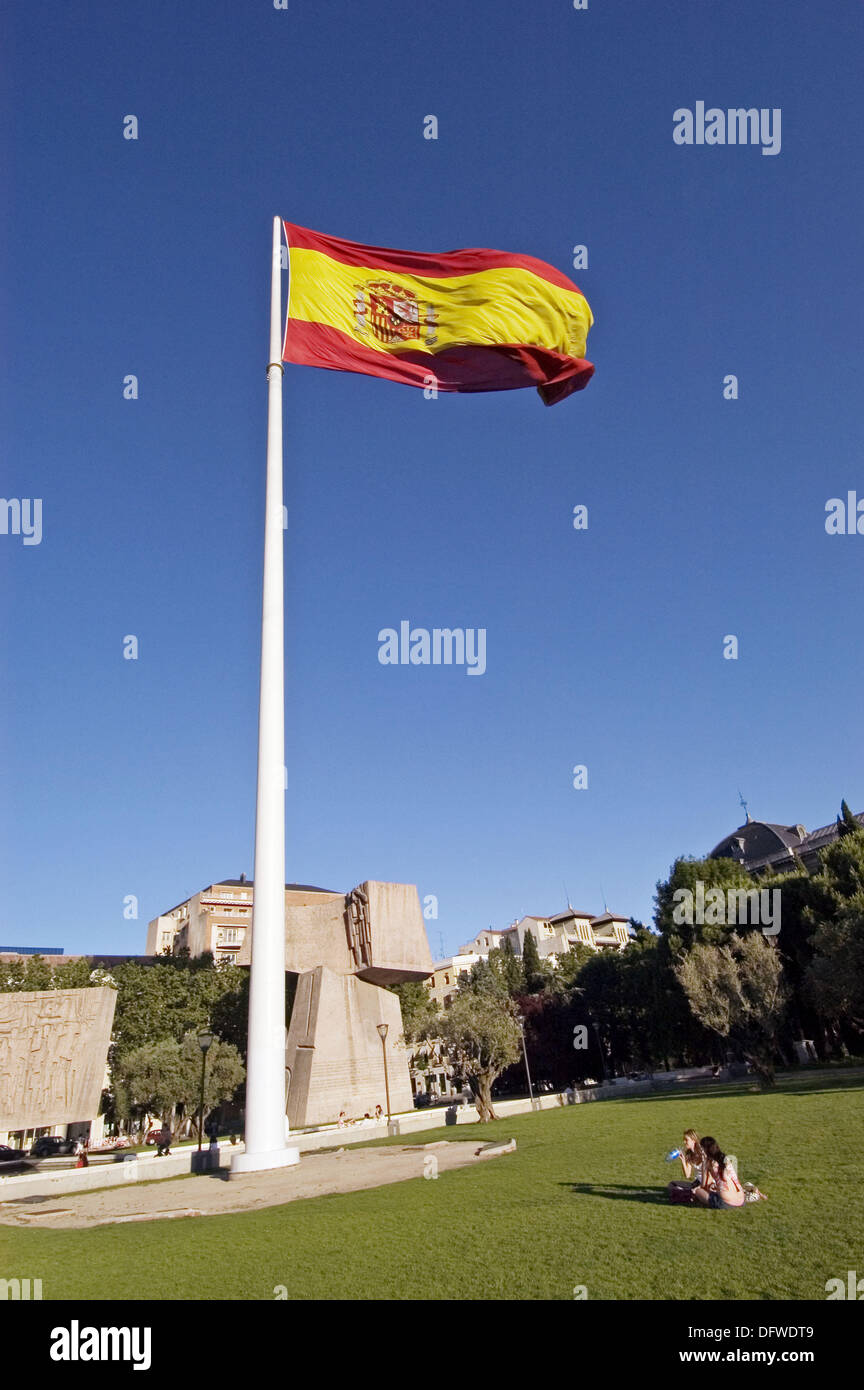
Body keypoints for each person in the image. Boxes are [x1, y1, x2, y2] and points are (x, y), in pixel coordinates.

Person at [692, 1136, 745, 1209]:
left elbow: (704, 1185)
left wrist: (697, 1189)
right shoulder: (726, 1159)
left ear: (705, 1149)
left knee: (698, 1191)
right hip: (741, 1199)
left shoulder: (708, 1162)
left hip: (726, 1202)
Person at [667, 1129, 706, 1203]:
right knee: (672, 1185)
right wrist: (683, 1161)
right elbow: (687, 1175)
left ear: (693, 1140)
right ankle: (690, 1194)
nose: (684, 1142)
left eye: (686, 1140)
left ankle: (690, 1195)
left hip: (706, 1182)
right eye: (683, 1140)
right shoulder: (689, 1154)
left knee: (674, 1192)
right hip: (697, 1182)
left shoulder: (703, 1152)